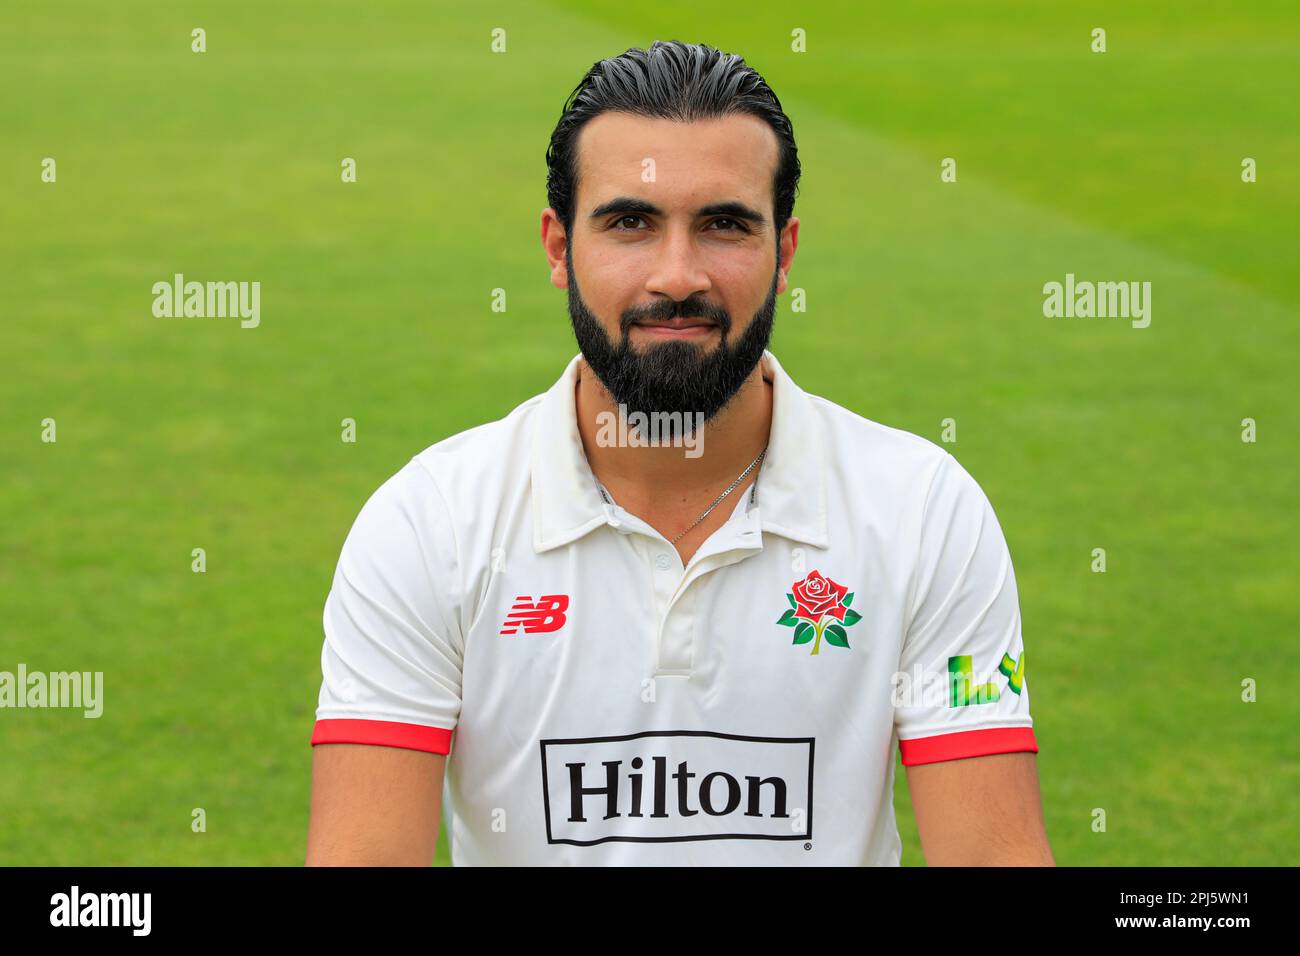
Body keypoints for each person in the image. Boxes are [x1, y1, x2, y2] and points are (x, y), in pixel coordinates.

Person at [305, 40, 1053, 866]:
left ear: (786, 254)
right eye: (631, 223)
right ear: (558, 248)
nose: (677, 275)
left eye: (724, 225)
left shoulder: (923, 510)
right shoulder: (429, 524)